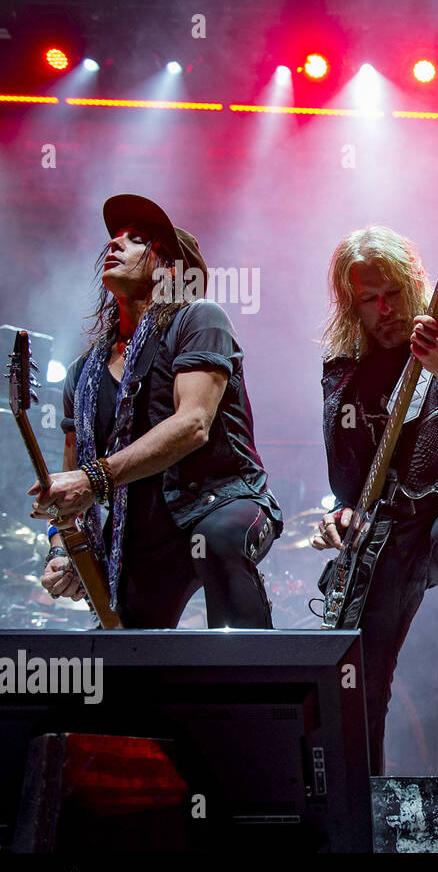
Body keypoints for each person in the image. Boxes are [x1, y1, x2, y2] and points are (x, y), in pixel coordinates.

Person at [312, 225, 438, 776]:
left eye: (394, 294)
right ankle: (360, 786)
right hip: (389, 523)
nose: (385, 310)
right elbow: (348, 480)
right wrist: (342, 512)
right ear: (351, 304)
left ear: (414, 283)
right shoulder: (343, 370)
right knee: (363, 667)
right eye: (369, 299)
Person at [31, 194, 281, 629]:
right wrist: (62, 549)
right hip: (143, 534)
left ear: (168, 269)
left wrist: (95, 479)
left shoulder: (200, 320)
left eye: (136, 240)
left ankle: (256, 686)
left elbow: (192, 425)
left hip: (218, 502)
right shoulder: (82, 375)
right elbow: (72, 482)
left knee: (218, 540)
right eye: (113, 239)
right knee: (121, 646)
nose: (115, 245)